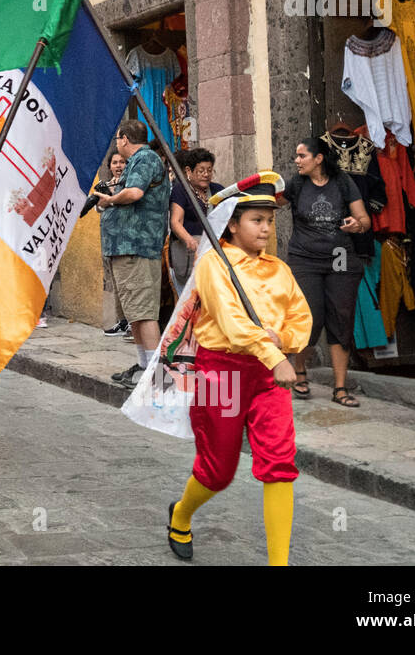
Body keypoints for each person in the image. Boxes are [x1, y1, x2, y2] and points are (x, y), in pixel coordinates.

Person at [164, 173, 311, 566]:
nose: (265, 229)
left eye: (269, 221)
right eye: (256, 220)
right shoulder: (213, 263)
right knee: (218, 470)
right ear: (232, 223)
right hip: (220, 375)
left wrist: (286, 342)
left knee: (280, 464)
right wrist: (274, 354)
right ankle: (181, 514)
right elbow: (231, 322)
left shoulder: (280, 269)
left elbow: (300, 316)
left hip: (268, 378)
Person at [285, 137, 370, 406]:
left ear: (319, 158)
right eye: (296, 157)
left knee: (341, 317)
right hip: (304, 259)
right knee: (309, 317)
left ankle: (340, 388)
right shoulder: (295, 184)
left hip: (340, 257)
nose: (297, 161)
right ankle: (299, 372)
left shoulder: (343, 181)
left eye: (302, 156)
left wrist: (356, 226)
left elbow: (364, 219)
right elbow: (271, 204)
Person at [97, 120, 170, 387]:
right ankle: (144, 367)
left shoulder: (146, 158)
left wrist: (111, 200)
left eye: (118, 139)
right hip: (126, 249)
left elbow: (135, 193)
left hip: (136, 248)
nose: (117, 143)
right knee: (136, 314)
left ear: (124, 139)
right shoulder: (139, 162)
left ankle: (158, 377)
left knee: (144, 313)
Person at [169, 147, 225, 292]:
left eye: (209, 170)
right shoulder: (180, 190)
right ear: (189, 171)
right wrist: (191, 241)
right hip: (187, 255)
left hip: (212, 255)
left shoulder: (218, 191)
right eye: (201, 171)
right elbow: (176, 222)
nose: (206, 174)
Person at [96, 150, 131, 339]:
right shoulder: (104, 186)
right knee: (116, 284)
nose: (118, 166)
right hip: (109, 241)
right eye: (115, 163)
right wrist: (106, 200)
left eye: (122, 162)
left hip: (126, 242)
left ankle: (132, 321)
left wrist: (112, 200)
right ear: (109, 166)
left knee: (127, 283)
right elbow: (98, 208)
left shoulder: (128, 187)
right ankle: (122, 320)